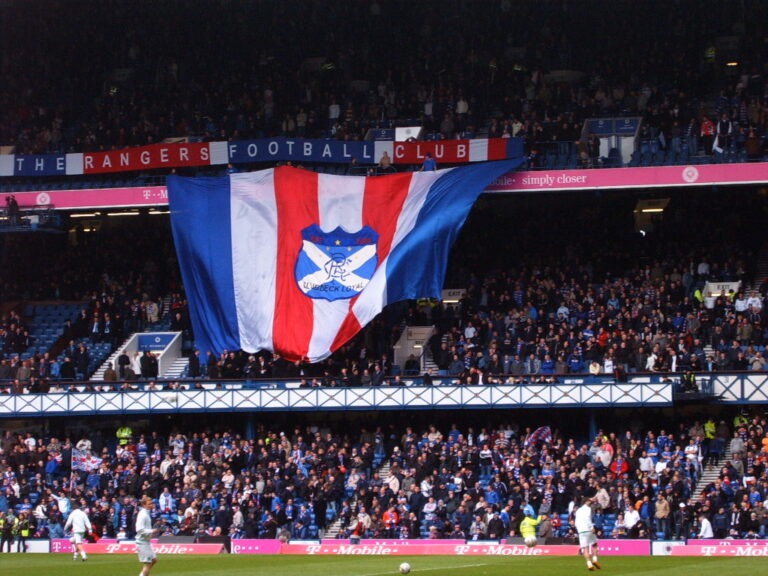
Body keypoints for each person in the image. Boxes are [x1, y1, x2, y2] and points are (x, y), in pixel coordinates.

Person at [574, 495, 602, 571]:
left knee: (585, 548)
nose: (590, 502)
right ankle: (595, 559)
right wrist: (591, 527)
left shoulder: (578, 510)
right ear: (586, 502)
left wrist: (578, 530)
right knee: (595, 544)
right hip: (588, 529)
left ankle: (589, 564)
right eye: (589, 501)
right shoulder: (588, 509)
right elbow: (587, 518)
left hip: (581, 531)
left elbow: (576, 522)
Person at [136, 495, 159, 576]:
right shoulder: (142, 515)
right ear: (144, 504)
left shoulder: (146, 513)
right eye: (149, 504)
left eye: (151, 503)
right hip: (142, 542)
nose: (151, 505)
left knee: (154, 560)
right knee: (148, 563)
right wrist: (152, 531)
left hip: (146, 541)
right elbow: (139, 529)